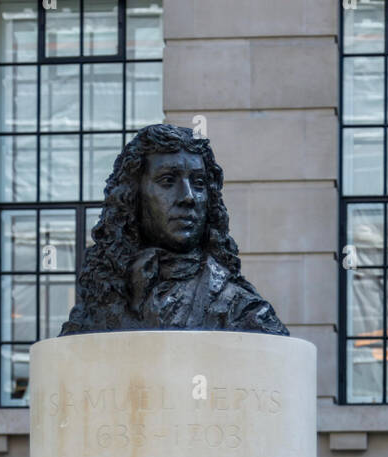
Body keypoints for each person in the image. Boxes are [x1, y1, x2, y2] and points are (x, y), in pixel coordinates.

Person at [60, 123, 288, 336]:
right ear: (133, 196)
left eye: (198, 183)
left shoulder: (244, 312)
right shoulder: (99, 300)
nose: (188, 197)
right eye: (168, 181)